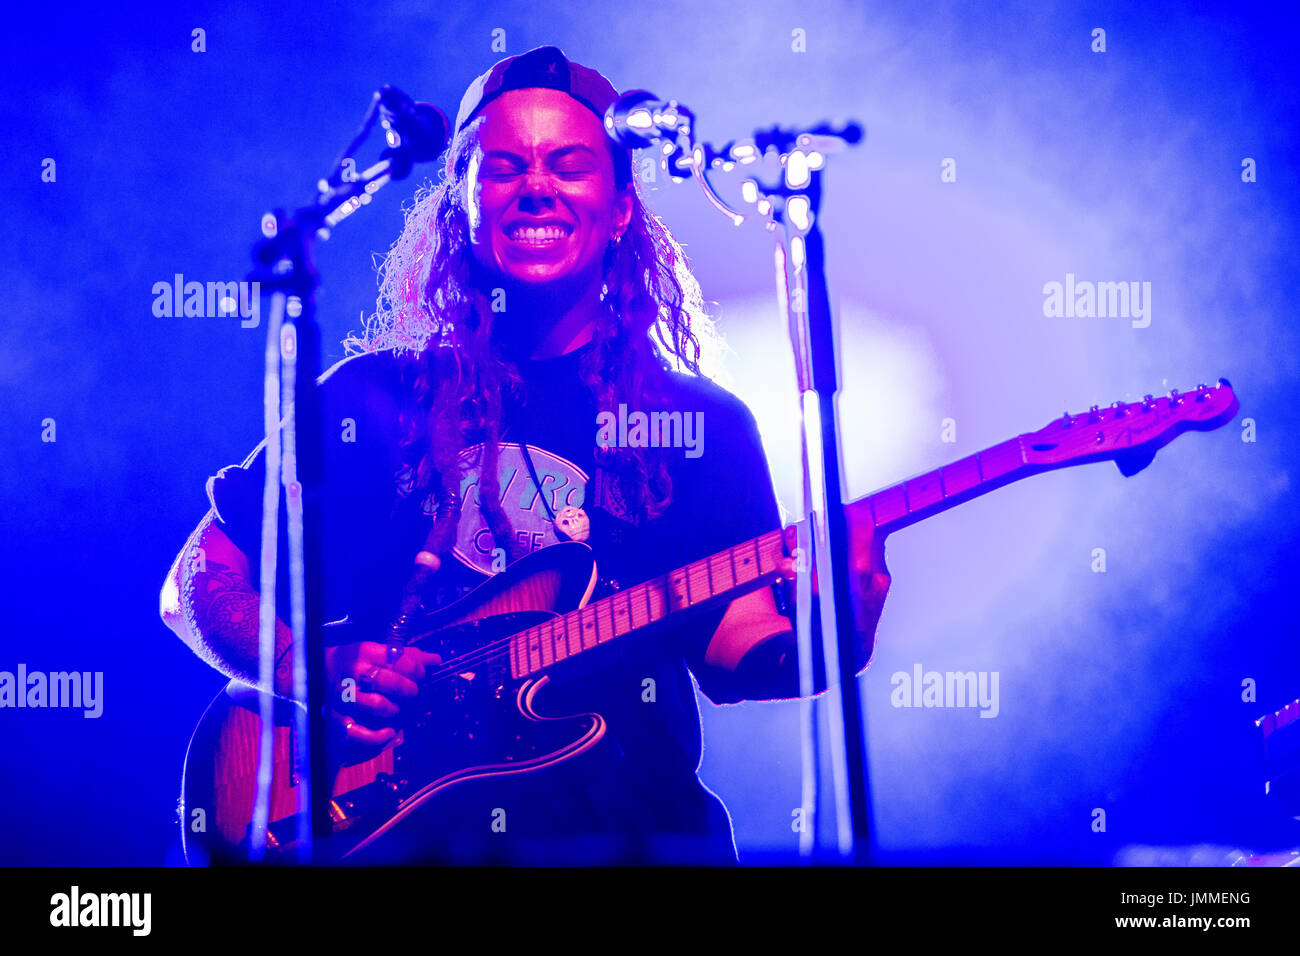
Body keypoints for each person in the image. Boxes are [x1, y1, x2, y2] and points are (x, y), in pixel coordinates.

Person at [160, 45, 890, 864]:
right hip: (389, 838)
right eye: (503, 166)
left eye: (570, 164)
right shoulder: (369, 398)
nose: (536, 185)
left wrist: (843, 628)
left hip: (631, 838)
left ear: (620, 207)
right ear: (459, 203)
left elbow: (734, 654)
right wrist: (307, 665)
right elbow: (194, 581)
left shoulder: (700, 421)